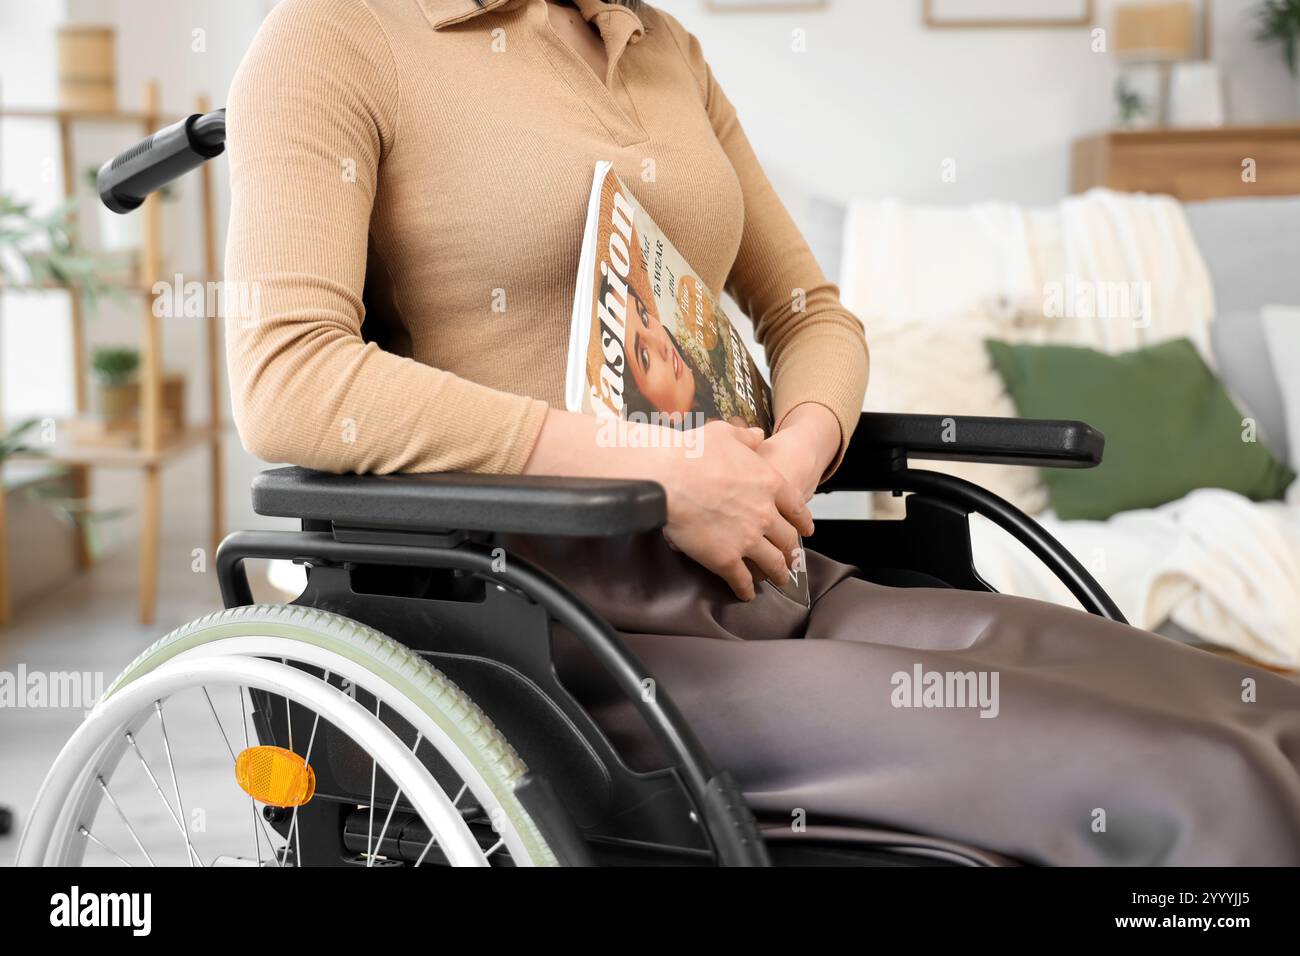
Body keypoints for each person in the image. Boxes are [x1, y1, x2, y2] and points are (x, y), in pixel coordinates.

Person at [224, 0, 1300, 864]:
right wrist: (658, 470)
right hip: (562, 637)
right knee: (1206, 778)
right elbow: (288, 374)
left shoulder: (660, 43)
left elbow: (808, 313)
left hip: (765, 572)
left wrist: (786, 462)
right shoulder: (335, 36)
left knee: (1261, 718)